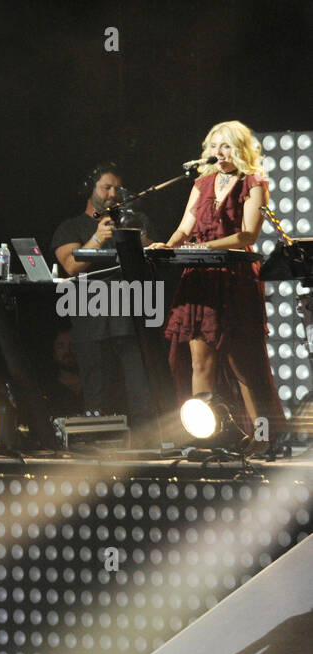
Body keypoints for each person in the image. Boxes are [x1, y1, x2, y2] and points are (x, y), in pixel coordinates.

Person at [151, 120, 286, 450]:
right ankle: (205, 437)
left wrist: (201, 248)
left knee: (246, 367)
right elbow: (186, 227)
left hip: (234, 278)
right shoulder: (201, 182)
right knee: (200, 363)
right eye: (213, 146)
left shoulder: (253, 182)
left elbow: (247, 234)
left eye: (225, 145)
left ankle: (264, 438)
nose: (218, 152)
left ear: (239, 148)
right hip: (199, 278)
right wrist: (169, 246)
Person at [51, 163, 155, 435]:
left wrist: (140, 239)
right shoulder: (71, 226)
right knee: (96, 392)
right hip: (90, 319)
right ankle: (99, 445)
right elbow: (70, 266)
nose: (112, 194)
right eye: (105, 187)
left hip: (128, 317)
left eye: (116, 189)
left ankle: (145, 445)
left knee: (139, 389)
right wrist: (97, 239)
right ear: (90, 189)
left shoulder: (128, 224)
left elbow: (147, 262)